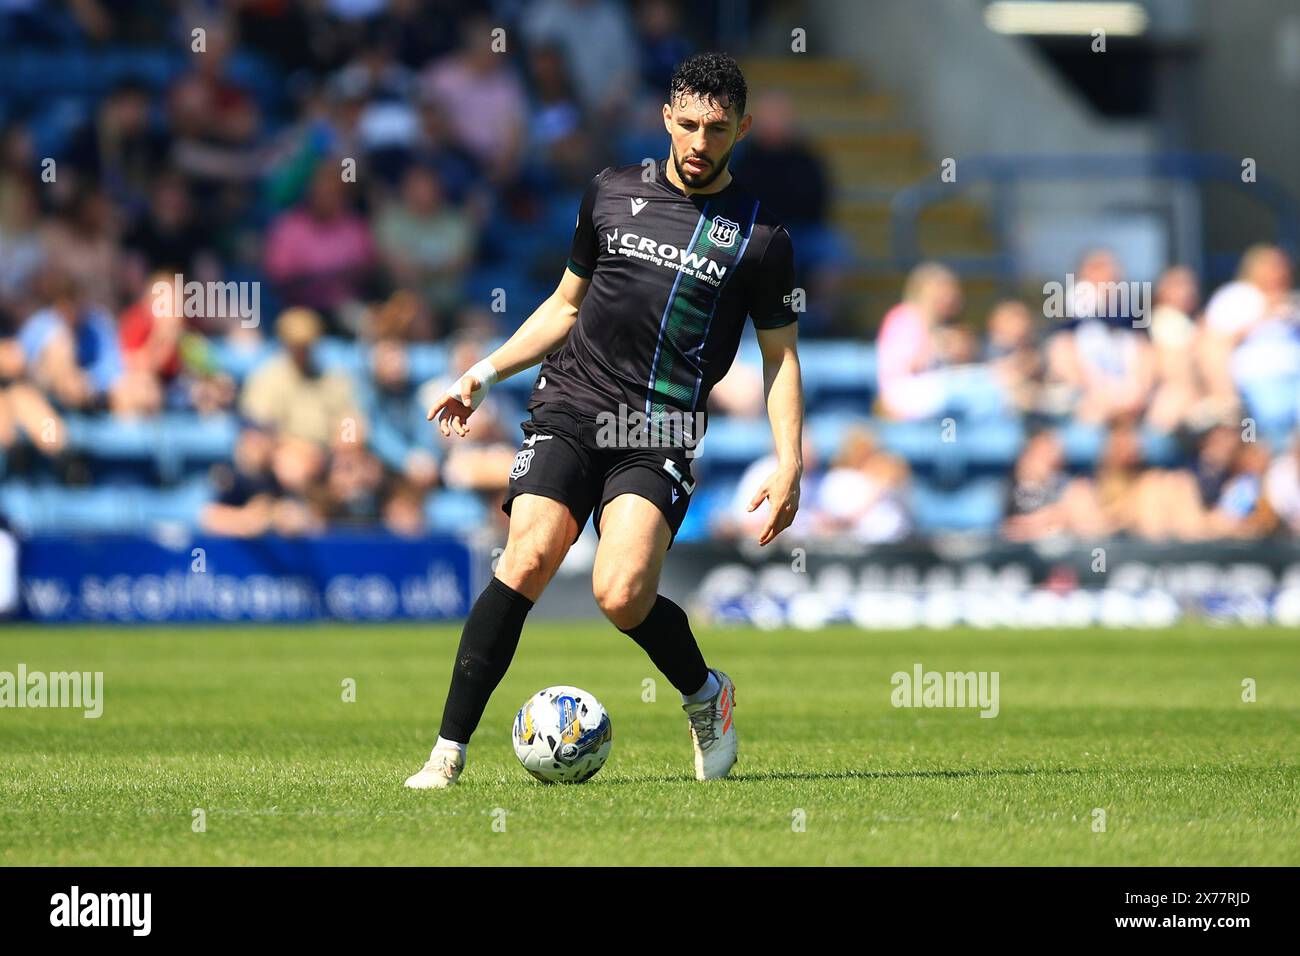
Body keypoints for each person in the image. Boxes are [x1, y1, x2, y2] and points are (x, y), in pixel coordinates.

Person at [405, 53, 803, 789]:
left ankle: (706, 696)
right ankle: (446, 753)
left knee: (620, 594)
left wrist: (789, 462)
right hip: (571, 402)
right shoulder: (611, 193)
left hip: (660, 428)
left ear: (742, 129)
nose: (698, 140)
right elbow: (564, 305)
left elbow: (779, 359)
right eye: (686, 123)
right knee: (524, 558)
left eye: (716, 128)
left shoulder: (761, 238)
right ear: (665, 119)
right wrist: (481, 374)